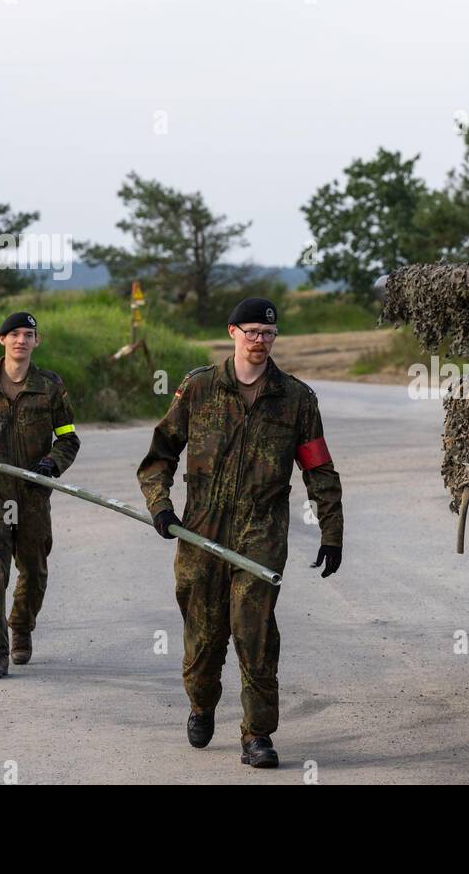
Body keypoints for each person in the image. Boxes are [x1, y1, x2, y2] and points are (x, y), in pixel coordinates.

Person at [137, 297, 344, 768]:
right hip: (200, 533)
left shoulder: (296, 398)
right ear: (232, 332)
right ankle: (201, 702)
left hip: (262, 533)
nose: (259, 341)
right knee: (204, 637)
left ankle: (257, 736)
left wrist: (331, 531)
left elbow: (319, 469)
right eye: (251, 332)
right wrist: (161, 508)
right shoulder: (198, 389)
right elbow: (159, 456)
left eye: (268, 334)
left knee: (255, 634)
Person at [0, 311, 80, 678]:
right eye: (14, 334)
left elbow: (68, 437)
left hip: (34, 494)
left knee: (34, 571)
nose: (21, 340)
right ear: (1, 340)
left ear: (37, 342)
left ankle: (21, 625)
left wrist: (52, 465)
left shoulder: (51, 387)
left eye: (28, 334)